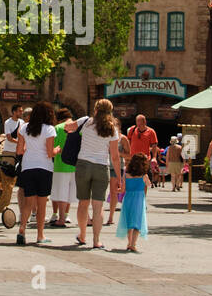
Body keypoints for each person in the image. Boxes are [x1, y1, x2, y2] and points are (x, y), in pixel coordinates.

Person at [64, 98, 122, 249]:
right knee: (98, 206)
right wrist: (119, 177)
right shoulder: (112, 129)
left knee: (83, 203)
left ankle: (82, 235)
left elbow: (68, 127)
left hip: (83, 164)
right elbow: (115, 156)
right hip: (101, 167)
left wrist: (69, 123)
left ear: (95, 109)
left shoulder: (86, 121)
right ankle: (96, 240)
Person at [14, 101, 56, 246]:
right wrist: (58, 150)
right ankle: (40, 235)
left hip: (27, 167)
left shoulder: (24, 128)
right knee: (42, 203)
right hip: (44, 168)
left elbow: (19, 151)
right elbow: (50, 153)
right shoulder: (49, 129)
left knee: (28, 201)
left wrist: (29, 149)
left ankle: (22, 229)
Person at [117, 153, 150, 252]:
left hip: (128, 199)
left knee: (129, 221)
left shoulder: (126, 175)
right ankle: (133, 244)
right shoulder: (144, 176)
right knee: (137, 223)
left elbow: (122, 190)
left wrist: (116, 190)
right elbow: (148, 185)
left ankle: (129, 243)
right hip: (139, 200)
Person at [49, 107, 75, 229]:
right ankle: (66, 214)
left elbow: (53, 147)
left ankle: (61, 217)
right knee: (69, 192)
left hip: (60, 165)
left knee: (60, 192)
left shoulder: (58, 128)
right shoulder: (78, 127)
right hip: (75, 166)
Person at [0, 103, 23, 176]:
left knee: (18, 173)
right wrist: (20, 142)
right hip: (9, 151)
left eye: (22, 111)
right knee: (7, 172)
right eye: (20, 111)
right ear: (14, 112)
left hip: (19, 151)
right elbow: (9, 138)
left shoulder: (22, 122)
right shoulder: (8, 122)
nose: (21, 112)